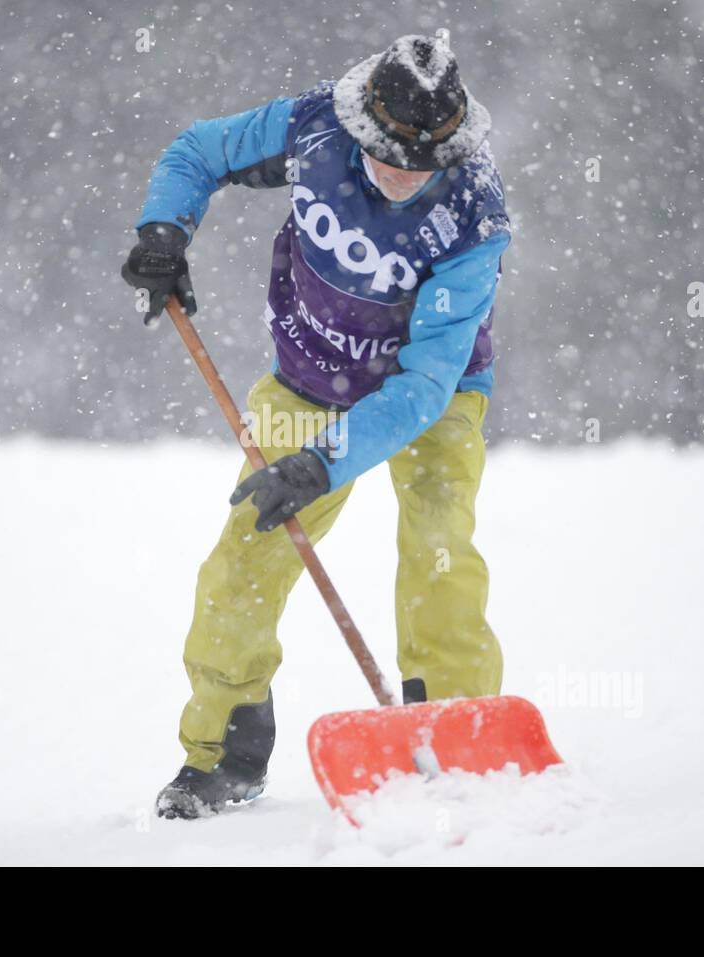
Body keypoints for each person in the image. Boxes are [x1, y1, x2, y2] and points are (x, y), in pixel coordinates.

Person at [121, 34, 512, 819]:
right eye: (387, 156)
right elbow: (200, 151)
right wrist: (165, 229)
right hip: (307, 380)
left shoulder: (476, 218)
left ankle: (458, 736)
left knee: (440, 554)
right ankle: (224, 752)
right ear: (364, 127)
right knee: (244, 559)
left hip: (429, 401)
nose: (403, 176)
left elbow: (423, 388)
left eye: (421, 165)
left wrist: (324, 463)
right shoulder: (314, 128)